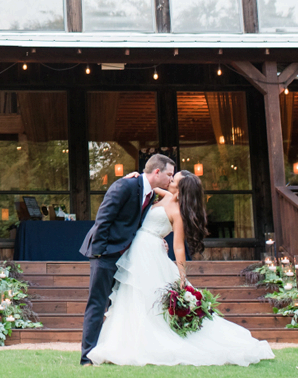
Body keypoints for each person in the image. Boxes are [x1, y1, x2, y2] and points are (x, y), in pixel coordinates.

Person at [87, 171, 275, 366]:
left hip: (150, 253)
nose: (170, 180)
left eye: (174, 179)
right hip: (137, 248)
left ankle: (144, 343)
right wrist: (131, 177)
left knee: (144, 296)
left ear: (181, 186)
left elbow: (178, 247)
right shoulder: (165, 195)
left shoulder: (178, 213)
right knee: (132, 294)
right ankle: (125, 340)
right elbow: (146, 184)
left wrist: (182, 276)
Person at [78, 154, 176, 366]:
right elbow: (103, 218)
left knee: (120, 305)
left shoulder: (151, 194)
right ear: (157, 172)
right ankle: (87, 357)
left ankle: (110, 351)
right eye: (169, 174)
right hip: (105, 255)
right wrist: (99, 252)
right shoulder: (125, 186)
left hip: (128, 258)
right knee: (98, 304)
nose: (171, 179)